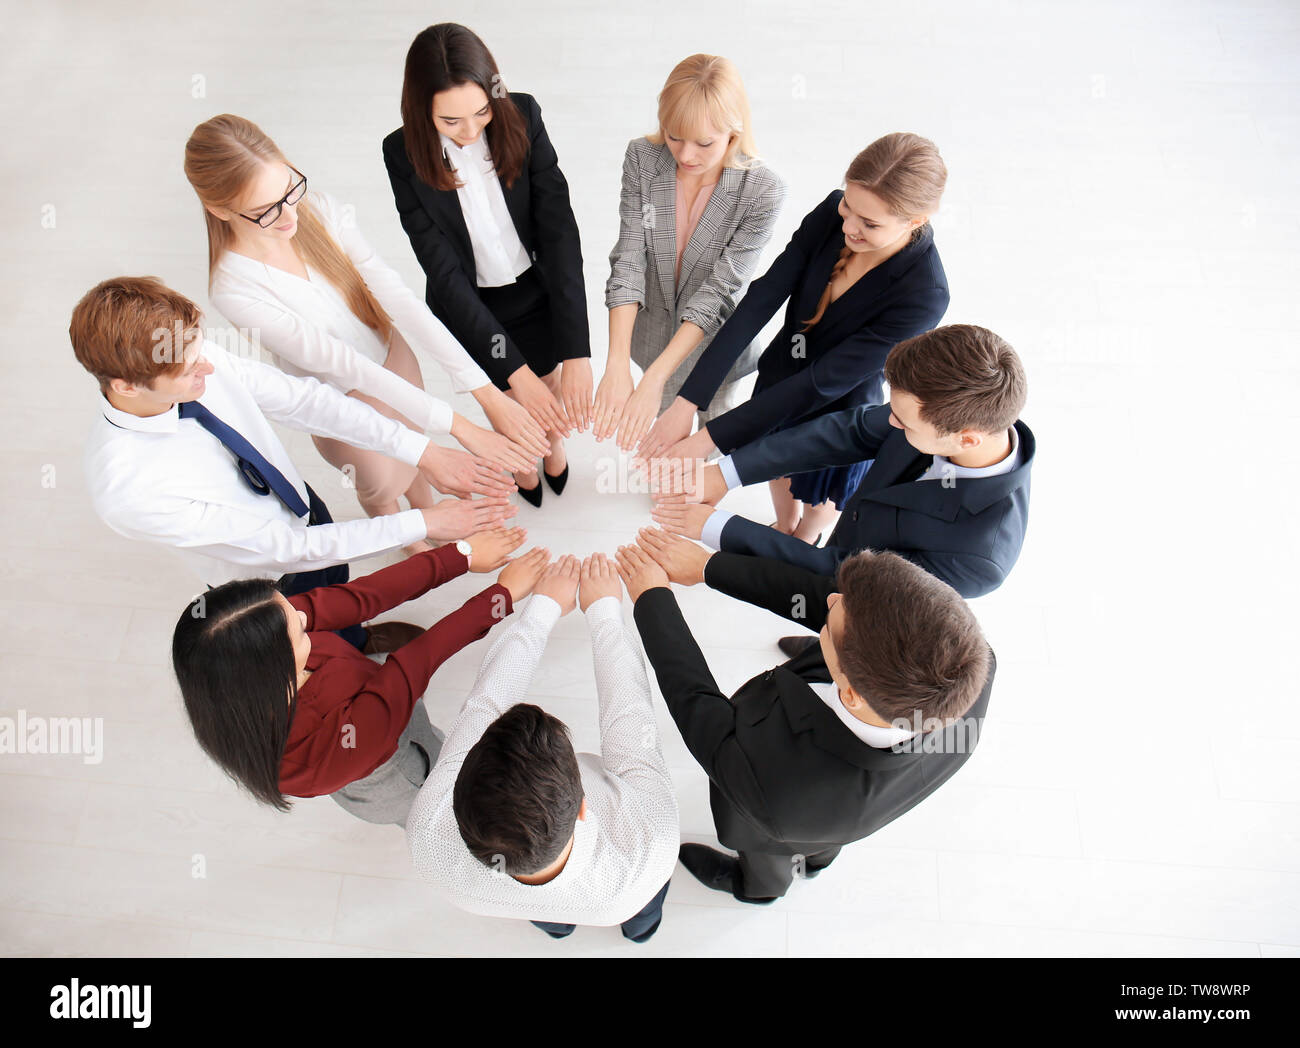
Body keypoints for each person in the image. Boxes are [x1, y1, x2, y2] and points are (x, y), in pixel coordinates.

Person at [71, 277, 515, 649]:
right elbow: (286, 549)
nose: (208, 367)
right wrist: (425, 523)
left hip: (302, 506)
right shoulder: (127, 489)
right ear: (127, 386)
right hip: (268, 582)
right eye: (188, 371)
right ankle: (349, 651)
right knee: (316, 639)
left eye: (200, 351)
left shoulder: (188, 354)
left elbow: (305, 402)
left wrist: (424, 451)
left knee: (340, 586)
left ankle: (357, 635)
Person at [186, 114, 549, 554]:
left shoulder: (318, 211)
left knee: (415, 460)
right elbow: (341, 364)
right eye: (266, 210)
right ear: (221, 209)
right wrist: (459, 428)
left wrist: (485, 392)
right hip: (338, 401)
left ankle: (427, 514)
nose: (288, 215)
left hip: (393, 359)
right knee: (380, 482)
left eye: (289, 190)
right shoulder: (233, 288)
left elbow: (400, 300)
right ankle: (409, 542)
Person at [616, 529, 993, 903]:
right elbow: (824, 598)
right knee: (829, 840)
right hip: (859, 803)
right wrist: (708, 567)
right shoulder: (971, 661)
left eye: (828, 627)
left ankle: (757, 891)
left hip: (784, 822)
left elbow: (696, 704)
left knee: (771, 860)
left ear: (851, 692)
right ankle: (820, 860)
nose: (829, 598)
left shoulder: (775, 793)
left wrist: (652, 601)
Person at [638, 133, 950, 545]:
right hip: (782, 373)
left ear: (915, 222)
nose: (849, 228)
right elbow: (760, 300)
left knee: (819, 485)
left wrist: (706, 439)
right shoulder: (830, 214)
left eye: (870, 223)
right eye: (848, 208)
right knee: (777, 465)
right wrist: (688, 400)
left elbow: (824, 381)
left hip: (840, 402)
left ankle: (804, 538)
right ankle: (785, 524)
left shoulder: (925, 293)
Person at [652, 325, 1034, 616]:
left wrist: (716, 528)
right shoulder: (939, 412)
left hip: (875, 617)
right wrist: (726, 473)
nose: (892, 422)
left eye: (905, 423)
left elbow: (849, 574)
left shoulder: (980, 559)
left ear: (967, 440)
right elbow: (845, 432)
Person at [172, 534, 546, 826]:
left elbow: (362, 597)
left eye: (292, 610)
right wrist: (502, 596)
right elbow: (413, 664)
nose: (305, 617)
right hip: (398, 773)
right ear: (275, 668)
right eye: (298, 631)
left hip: (372, 697)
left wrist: (459, 555)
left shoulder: (252, 643)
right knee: (456, 804)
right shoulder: (325, 748)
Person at [406, 555, 679, 943]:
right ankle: (640, 930)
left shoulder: (428, 833)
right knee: (642, 910)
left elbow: (485, 708)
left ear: (456, 791)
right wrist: (601, 611)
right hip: (629, 893)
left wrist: (543, 609)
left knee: (548, 916)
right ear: (584, 805)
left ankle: (558, 927)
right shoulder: (650, 842)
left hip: (512, 897)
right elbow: (630, 718)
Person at [383, 22, 592, 506]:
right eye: (450, 122)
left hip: (533, 285)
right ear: (421, 111)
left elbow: (560, 231)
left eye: (480, 113)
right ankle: (525, 456)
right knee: (510, 393)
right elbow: (442, 271)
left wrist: (578, 350)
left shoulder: (522, 113)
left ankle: (552, 443)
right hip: (470, 302)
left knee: (548, 380)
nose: (471, 131)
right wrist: (516, 375)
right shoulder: (402, 153)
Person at [594, 54, 786, 451]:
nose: (685, 155)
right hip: (651, 337)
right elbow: (629, 258)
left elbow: (717, 293)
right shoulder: (643, 159)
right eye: (674, 135)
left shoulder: (762, 190)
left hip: (718, 347)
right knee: (661, 438)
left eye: (704, 143)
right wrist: (615, 364)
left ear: (733, 132)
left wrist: (655, 378)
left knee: (711, 434)